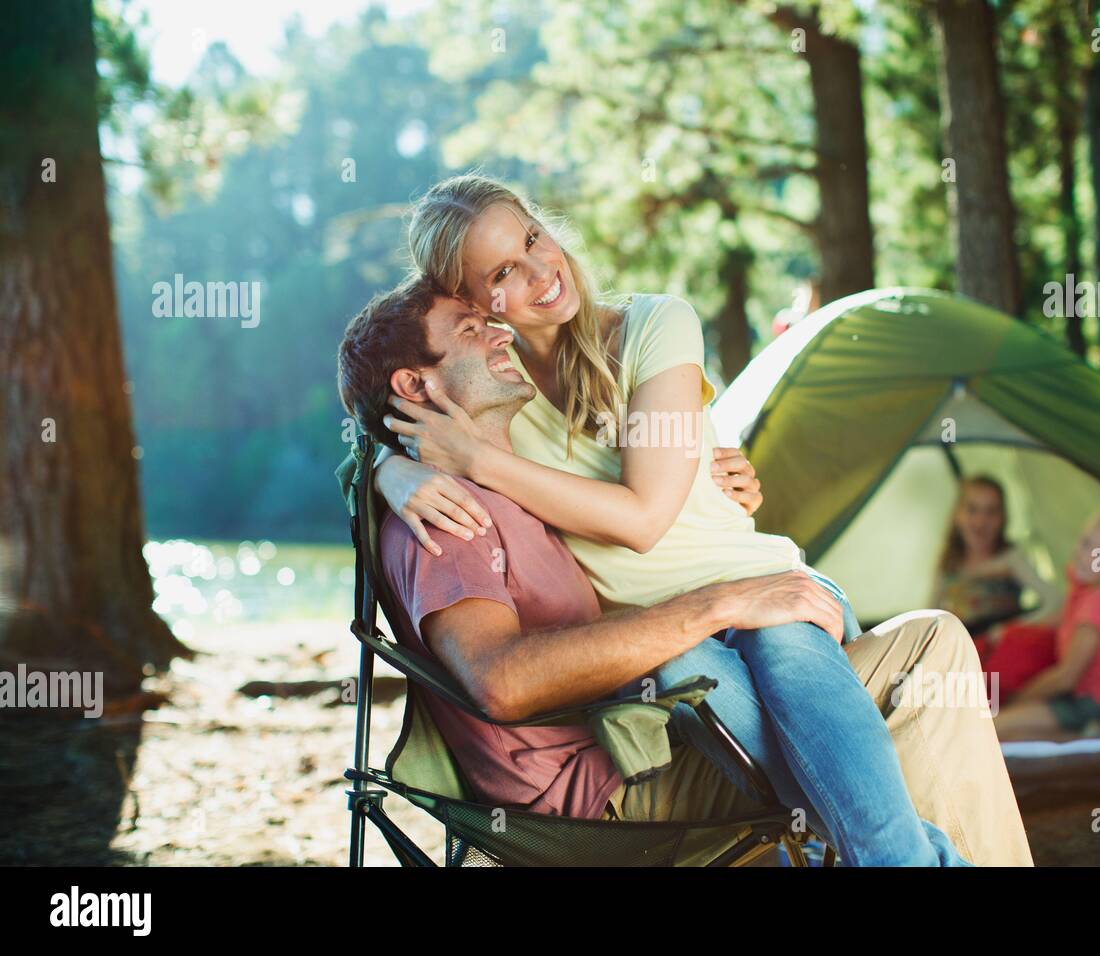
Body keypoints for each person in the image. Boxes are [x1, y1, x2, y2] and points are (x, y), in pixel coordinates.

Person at [337, 273, 1033, 865]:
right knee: (929, 658)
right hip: (612, 785)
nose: (499, 332)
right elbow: (502, 681)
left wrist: (707, 475)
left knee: (916, 651)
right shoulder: (444, 515)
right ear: (413, 382)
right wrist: (720, 603)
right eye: (468, 330)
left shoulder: (505, 475)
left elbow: (364, 452)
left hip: (651, 728)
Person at [990, 510, 1100, 741]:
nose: (1087, 557)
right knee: (1003, 719)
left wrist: (1019, 698)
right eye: (1086, 544)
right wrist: (1012, 630)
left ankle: (1076, 738)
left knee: (993, 729)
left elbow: (1065, 678)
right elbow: (1060, 617)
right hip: (1091, 695)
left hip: (1095, 705)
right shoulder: (1089, 588)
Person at [931, 475, 1062, 641]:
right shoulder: (949, 563)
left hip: (999, 646)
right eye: (972, 509)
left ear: (1003, 518)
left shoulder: (1010, 559)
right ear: (957, 515)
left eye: (991, 512)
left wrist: (1012, 630)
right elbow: (930, 616)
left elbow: (1055, 600)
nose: (981, 521)